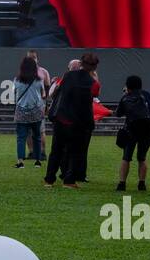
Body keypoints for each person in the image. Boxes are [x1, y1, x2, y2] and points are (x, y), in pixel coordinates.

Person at [44, 54, 95, 189]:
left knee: (56, 150)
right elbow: (87, 103)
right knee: (74, 151)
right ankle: (69, 180)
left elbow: (58, 95)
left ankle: (49, 180)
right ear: (94, 67)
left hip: (61, 119)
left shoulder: (67, 77)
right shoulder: (91, 82)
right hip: (76, 122)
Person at [114, 75, 150, 192]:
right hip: (147, 130)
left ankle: (122, 184)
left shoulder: (126, 97)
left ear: (128, 86)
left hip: (131, 129)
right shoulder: (147, 95)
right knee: (142, 158)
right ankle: (141, 184)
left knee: (126, 157)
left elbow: (118, 113)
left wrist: (124, 95)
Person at [12, 55, 47, 169]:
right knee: (37, 136)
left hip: (21, 111)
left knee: (21, 137)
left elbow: (15, 92)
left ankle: (20, 161)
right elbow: (42, 94)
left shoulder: (17, 80)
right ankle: (37, 160)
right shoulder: (38, 80)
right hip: (36, 111)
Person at [25, 50, 51, 160]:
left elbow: (48, 87)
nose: (31, 59)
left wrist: (46, 105)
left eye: (33, 57)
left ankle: (42, 152)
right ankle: (31, 152)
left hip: (39, 105)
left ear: (37, 59)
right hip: (26, 105)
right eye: (29, 58)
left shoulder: (43, 72)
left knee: (40, 130)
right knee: (28, 130)